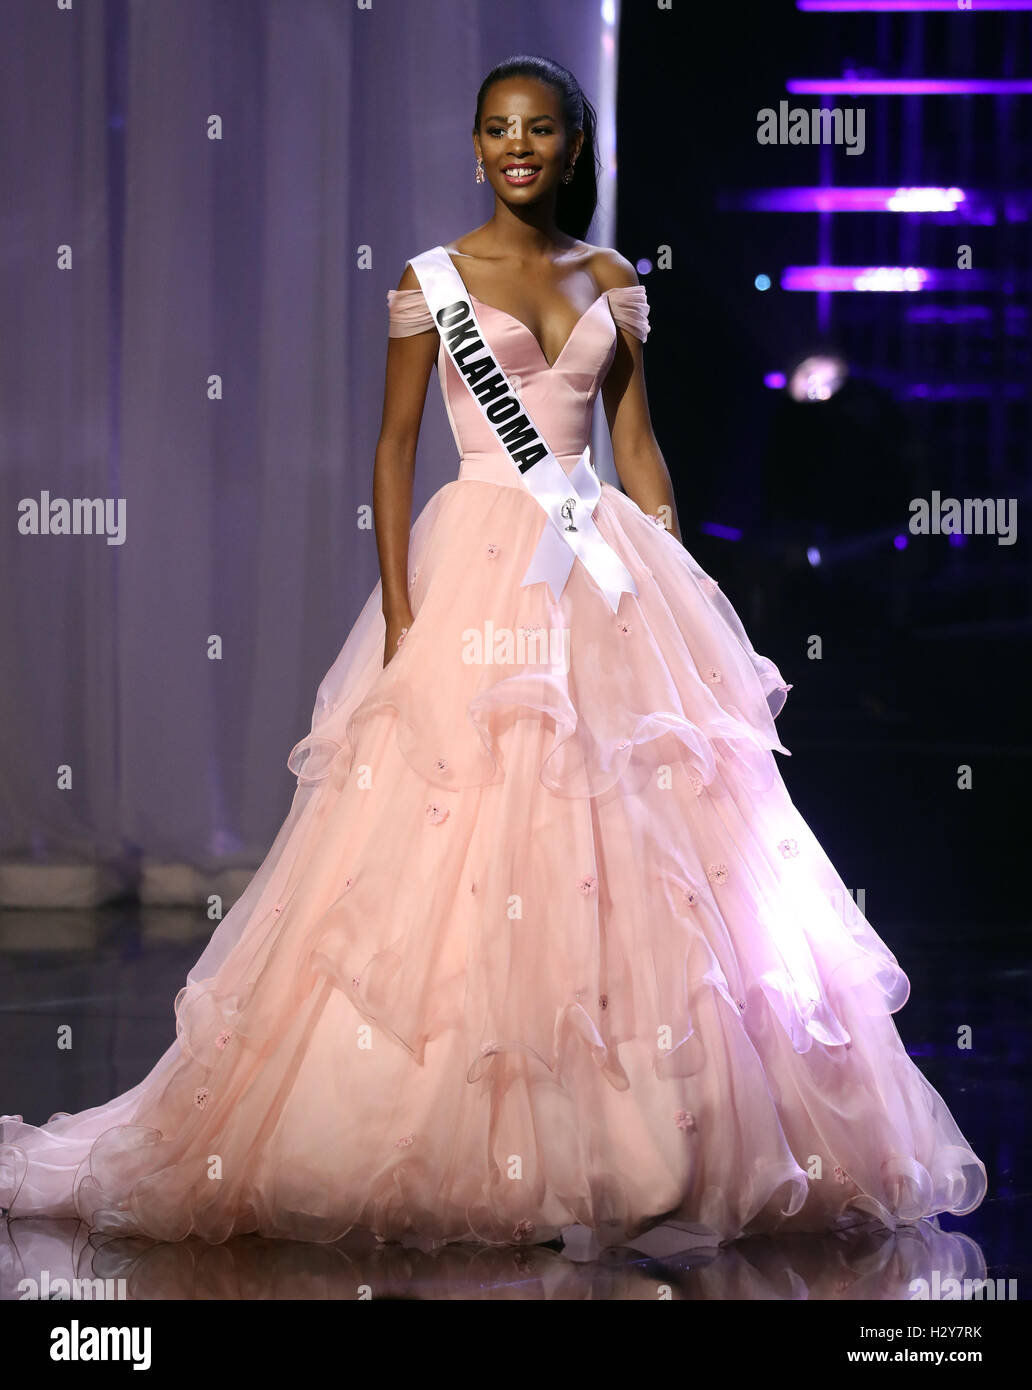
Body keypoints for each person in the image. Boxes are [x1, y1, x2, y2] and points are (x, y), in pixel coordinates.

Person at [0, 55, 985, 1254]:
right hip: (477, 567)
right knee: (462, 833)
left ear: (574, 147)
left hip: (603, 569)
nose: (517, 148)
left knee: (638, 846)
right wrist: (405, 612)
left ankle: (650, 1139)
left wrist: (675, 584)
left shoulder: (615, 282)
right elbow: (393, 447)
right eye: (496, 130)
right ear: (476, 146)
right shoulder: (433, 283)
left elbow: (637, 445)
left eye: (539, 130)